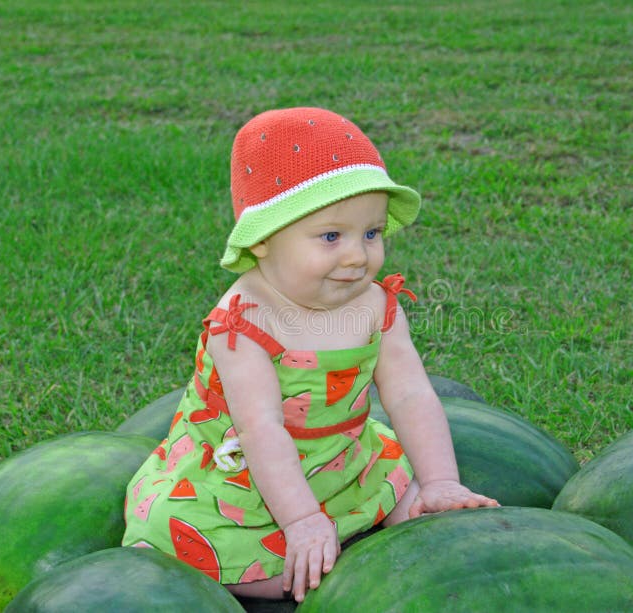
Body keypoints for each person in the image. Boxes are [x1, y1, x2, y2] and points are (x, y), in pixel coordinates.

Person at [122, 107, 498, 602]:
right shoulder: (243, 323)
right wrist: (301, 521)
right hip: (247, 479)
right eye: (330, 236)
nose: (357, 256)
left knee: (415, 506)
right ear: (262, 242)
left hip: (345, 459)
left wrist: (440, 480)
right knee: (252, 572)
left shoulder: (375, 306)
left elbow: (408, 393)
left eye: (371, 233)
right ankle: (322, 550)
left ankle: (364, 526)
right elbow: (262, 430)